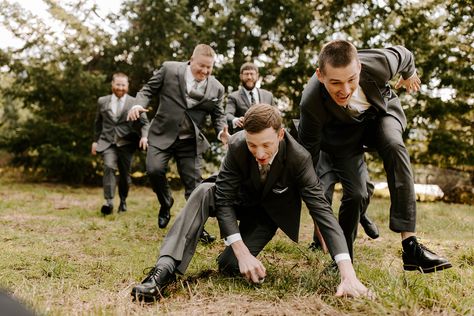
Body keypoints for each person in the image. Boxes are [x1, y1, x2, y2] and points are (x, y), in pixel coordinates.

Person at [130, 104, 373, 302]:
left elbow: (323, 212)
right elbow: (223, 198)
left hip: (266, 215)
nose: (259, 153)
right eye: (252, 145)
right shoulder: (237, 144)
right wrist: (242, 249)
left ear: (279, 134)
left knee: (230, 266)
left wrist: (347, 272)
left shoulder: (300, 158)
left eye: (266, 145)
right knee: (204, 191)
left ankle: (234, 257)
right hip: (237, 199)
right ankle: (163, 271)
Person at [298, 39, 451, 272]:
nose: (346, 90)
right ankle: (343, 259)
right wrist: (319, 215)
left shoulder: (379, 62)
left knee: (394, 145)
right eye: (335, 83)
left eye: (351, 80)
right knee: (357, 194)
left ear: (359, 66)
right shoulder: (311, 103)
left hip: (382, 114)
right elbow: (308, 160)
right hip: (342, 136)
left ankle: (410, 247)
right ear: (320, 76)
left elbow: (405, 54)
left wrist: (409, 74)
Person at [127, 44, 230, 243]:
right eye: (202, 66)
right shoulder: (169, 69)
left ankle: (197, 229)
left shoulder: (217, 87)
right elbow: (148, 90)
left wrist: (221, 132)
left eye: (209, 68)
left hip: (190, 141)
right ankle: (166, 203)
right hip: (161, 133)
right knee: (154, 170)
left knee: (194, 187)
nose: (205, 71)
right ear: (191, 59)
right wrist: (139, 104)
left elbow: (218, 115)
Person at [92, 72, 149, 215]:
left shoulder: (134, 102)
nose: (120, 88)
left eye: (123, 85)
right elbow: (97, 124)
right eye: (118, 84)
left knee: (125, 174)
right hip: (107, 142)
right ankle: (109, 202)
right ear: (112, 84)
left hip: (126, 143)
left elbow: (145, 123)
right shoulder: (102, 101)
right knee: (109, 166)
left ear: (127, 86)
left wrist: (144, 137)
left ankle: (123, 201)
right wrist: (95, 141)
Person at [225, 62, 274, 134]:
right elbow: (227, 115)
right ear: (241, 76)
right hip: (243, 138)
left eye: (252, 74)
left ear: (257, 76)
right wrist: (235, 120)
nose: (249, 77)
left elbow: (276, 116)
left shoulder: (268, 95)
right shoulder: (233, 96)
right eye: (246, 74)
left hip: (266, 137)